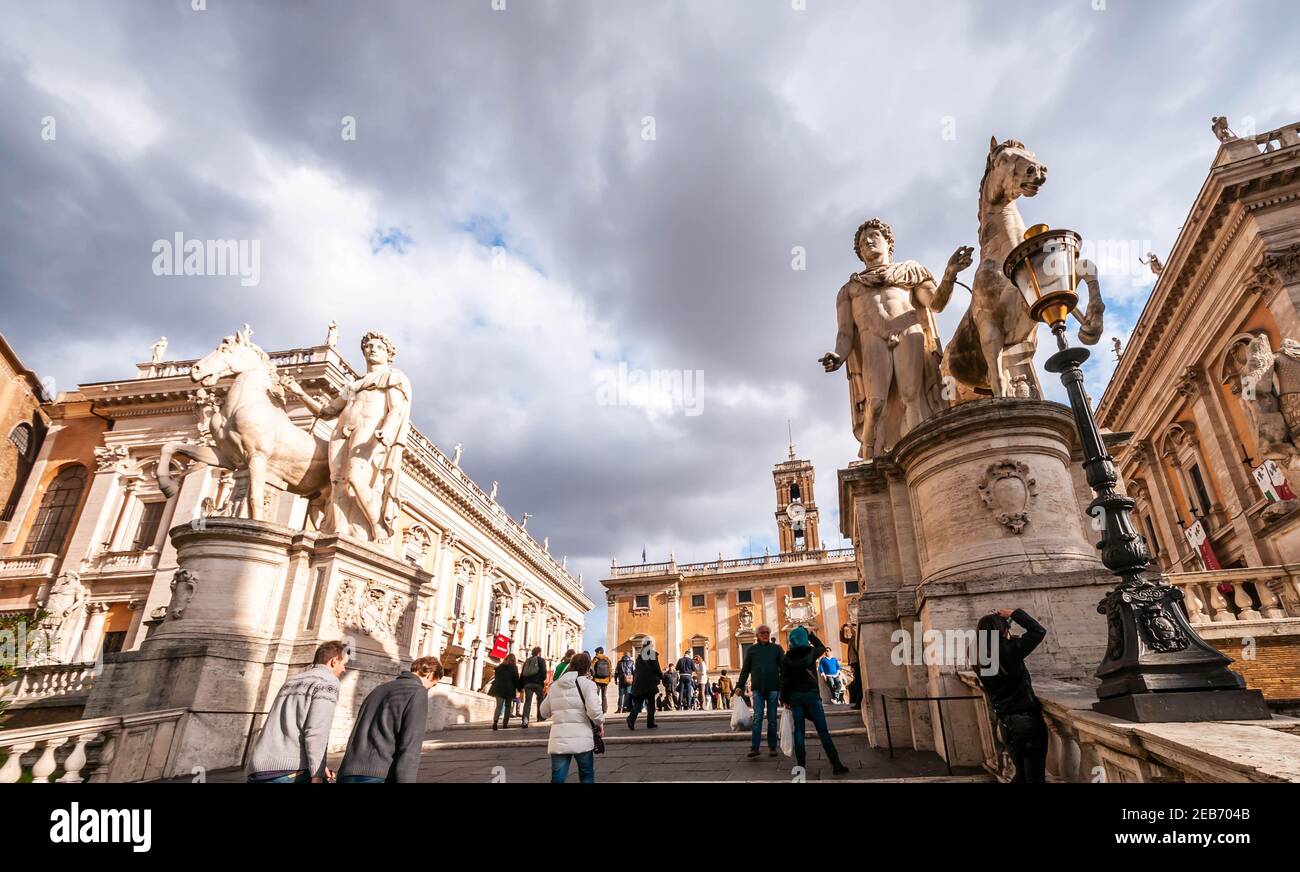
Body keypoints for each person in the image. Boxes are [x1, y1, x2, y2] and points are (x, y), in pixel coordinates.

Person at [247, 640, 349, 783]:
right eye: (344, 664)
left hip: (259, 766)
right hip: (290, 770)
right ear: (334, 661)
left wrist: (320, 764)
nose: (344, 669)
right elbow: (317, 730)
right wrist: (317, 773)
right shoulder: (328, 682)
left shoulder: (292, 680)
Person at [337, 657, 442, 783]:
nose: (430, 688)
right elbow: (411, 745)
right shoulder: (417, 692)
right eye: (433, 684)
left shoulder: (379, 689)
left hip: (348, 772)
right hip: (379, 774)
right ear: (430, 674)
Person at [975, 608, 1049, 784]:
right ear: (1001, 630)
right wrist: (1014, 613)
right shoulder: (1009, 649)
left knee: (1022, 774)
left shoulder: (979, 657)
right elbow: (1038, 631)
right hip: (1027, 721)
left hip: (1006, 722)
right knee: (1034, 777)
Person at [780, 627, 849, 775]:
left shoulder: (786, 658)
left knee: (799, 732)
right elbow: (822, 647)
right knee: (823, 731)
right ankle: (836, 764)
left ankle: (801, 767)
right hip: (811, 696)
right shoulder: (811, 653)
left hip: (795, 698)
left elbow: (784, 680)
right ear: (804, 639)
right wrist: (810, 634)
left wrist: (784, 699)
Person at [540, 652, 604, 783]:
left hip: (559, 739)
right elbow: (594, 712)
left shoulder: (555, 686)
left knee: (558, 778)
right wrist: (600, 723)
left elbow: (543, 712)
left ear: (571, 665)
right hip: (582, 738)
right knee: (586, 775)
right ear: (587, 667)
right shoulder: (588, 685)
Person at [735, 624, 783, 758]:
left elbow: (783, 669)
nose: (765, 634)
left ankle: (772, 746)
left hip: (773, 688)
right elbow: (745, 670)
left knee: (772, 719)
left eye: (767, 632)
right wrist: (739, 685)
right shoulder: (751, 650)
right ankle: (755, 747)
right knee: (757, 718)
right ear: (757, 635)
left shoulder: (777, 649)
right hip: (757, 690)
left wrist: (783, 687)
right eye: (762, 633)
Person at [626, 642, 663, 730]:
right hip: (649, 682)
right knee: (651, 703)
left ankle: (631, 718)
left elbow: (636, 670)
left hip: (639, 683)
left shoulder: (639, 657)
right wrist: (662, 677)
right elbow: (656, 668)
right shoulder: (652, 654)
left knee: (638, 703)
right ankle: (650, 723)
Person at [490, 653, 521, 730]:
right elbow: (516, 679)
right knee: (508, 707)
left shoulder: (500, 667)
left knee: (498, 707)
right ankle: (505, 724)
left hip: (499, 689)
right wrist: (519, 688)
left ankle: (495, 723)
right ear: (514, 660)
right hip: (509, 690)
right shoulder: (514, 667)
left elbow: (496, 677)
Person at [519, 646, 547, 727]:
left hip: (527, 684)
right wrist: (541, 679)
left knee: (527, 702)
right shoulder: (541, 660)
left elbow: (522, 673)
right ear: (539, 652)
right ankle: (540, 717)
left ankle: (525, 720)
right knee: (540, 700)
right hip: (538, 684)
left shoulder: (527, 661)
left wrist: (521, 685)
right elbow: (544, 672)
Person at [840, 621, 863, 708]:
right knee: (856, 684)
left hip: (857, 663)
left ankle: (858, 703)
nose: (851, 629)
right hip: (854, 663)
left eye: (854, 626)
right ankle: (857, 703)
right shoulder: (852, 639)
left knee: (857, 684)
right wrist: (842, 629)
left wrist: (852, 627)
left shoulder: (857, 639)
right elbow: (842, 639)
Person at [591, 646, 614, 712]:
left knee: (596, 695)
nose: (595, 654)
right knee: (604, 696)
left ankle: (595, 709)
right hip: (605, 680)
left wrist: (593, 676)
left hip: (597, 680)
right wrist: (609, 679)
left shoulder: (596, 658)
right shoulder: (607, 659)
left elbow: (591, 668)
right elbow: (610, 669)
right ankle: (604, 710)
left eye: (596, 652)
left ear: (599, 652)